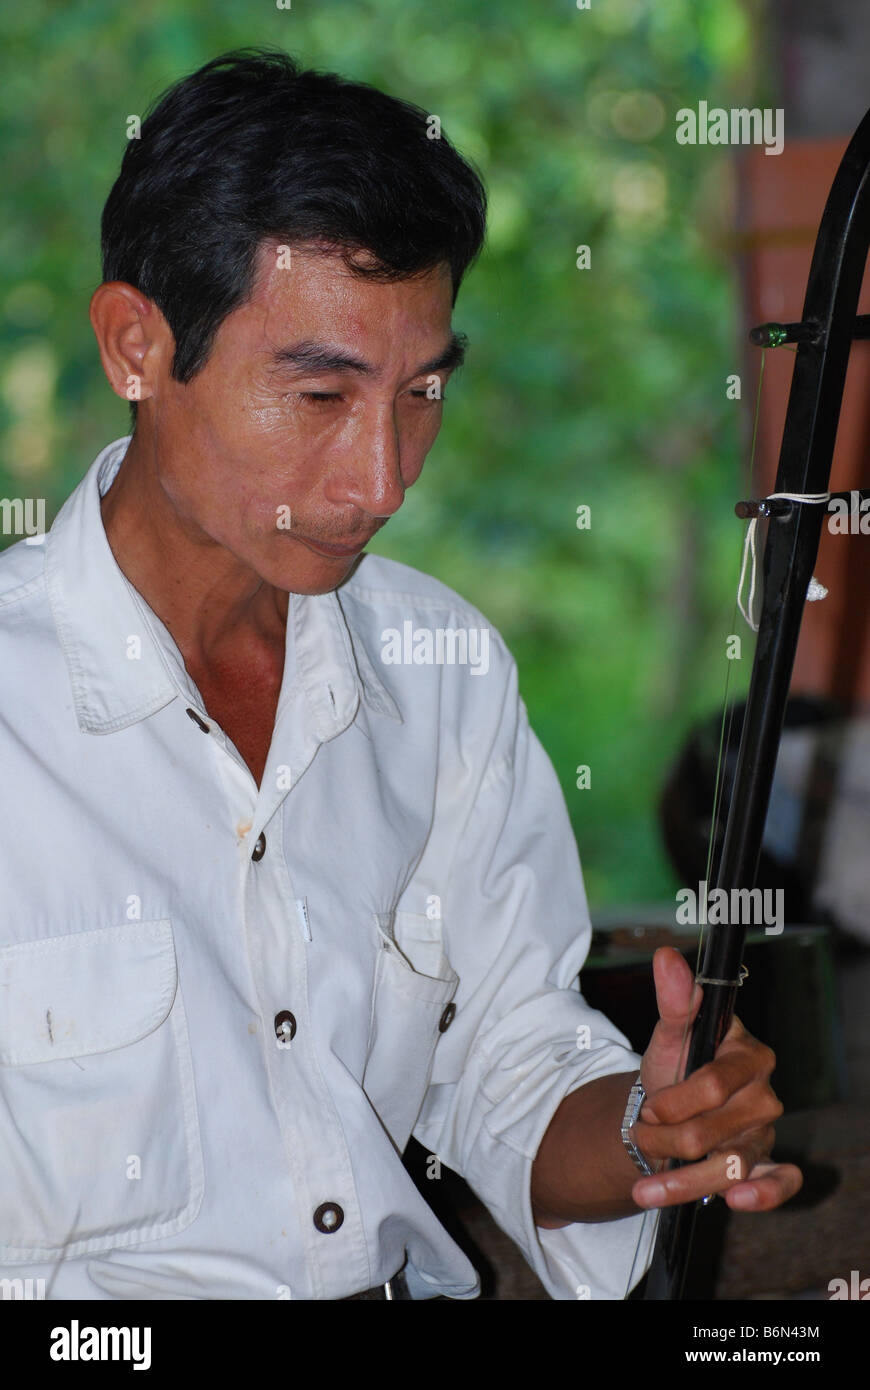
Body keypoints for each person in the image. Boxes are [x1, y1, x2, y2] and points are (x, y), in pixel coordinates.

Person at [0, 48, 801, 1302]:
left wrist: (657, 1126)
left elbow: (508, 1069)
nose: (383, 479)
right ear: (136, 346)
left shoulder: (441, 675)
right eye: (319, 392)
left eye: (420, 392)